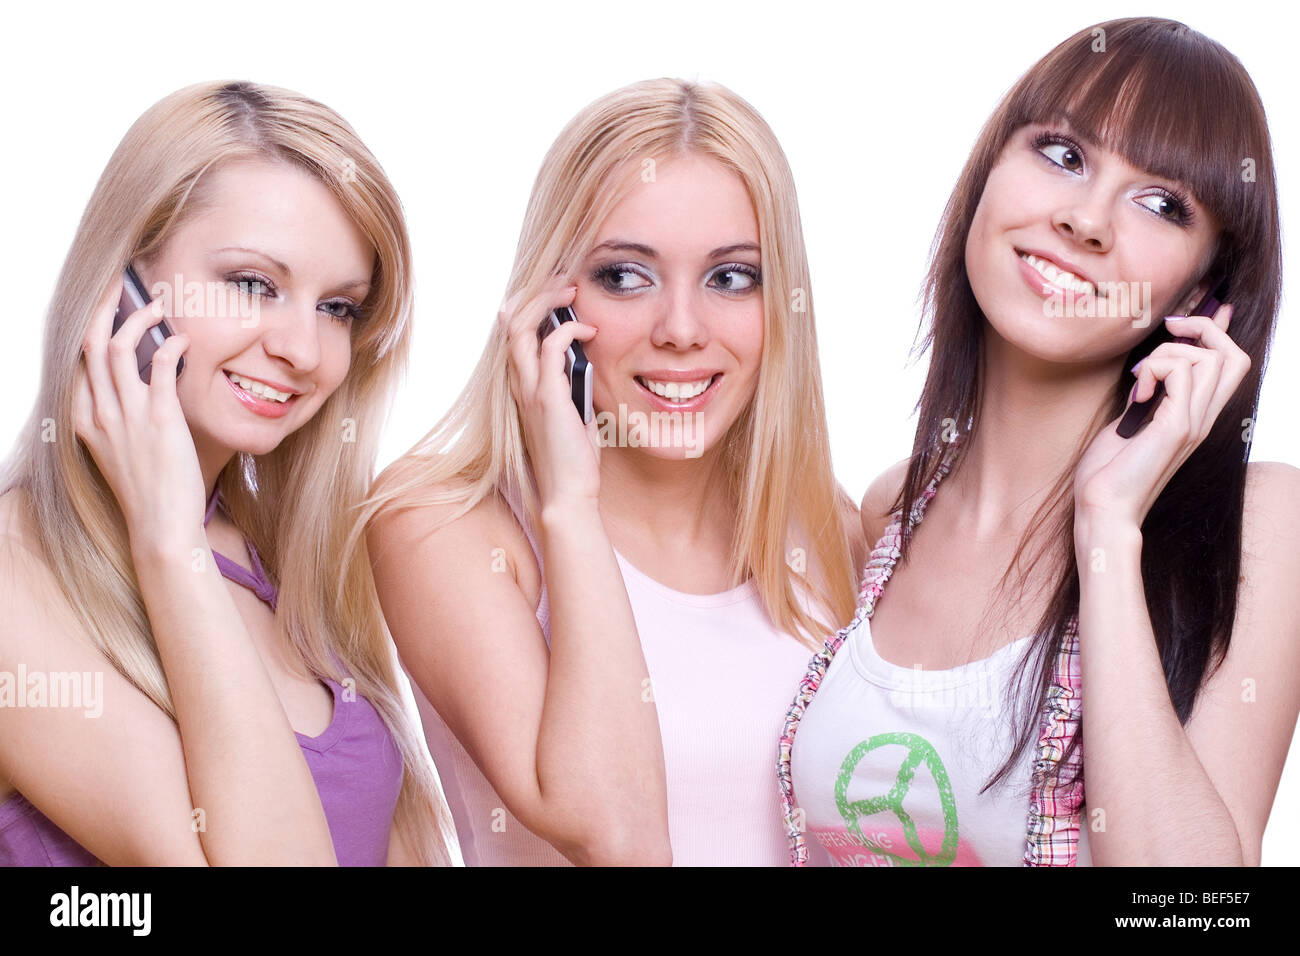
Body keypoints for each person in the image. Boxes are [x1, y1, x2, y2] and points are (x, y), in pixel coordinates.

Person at [780, 17, 1299, 866]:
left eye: (1163, 203)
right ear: (989, 173)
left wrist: (1107, 529)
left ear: (1203, 287)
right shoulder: (891, 512)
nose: (1086, 221)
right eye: (1062, 155)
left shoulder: (1260, 522)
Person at [361, 78, 864, 865]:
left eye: (731, 277)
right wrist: (570, 503)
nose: (681, 330)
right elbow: (610, 827)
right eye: (627, 276)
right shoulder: (441, 525)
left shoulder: (826, 525)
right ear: (549, 301)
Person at [0, 80, 452, 866]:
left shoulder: (287, 561)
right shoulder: (16, 579)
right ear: (121, 292)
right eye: (252, 284)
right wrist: (169, 544)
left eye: (337, 307)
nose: (304, 353)